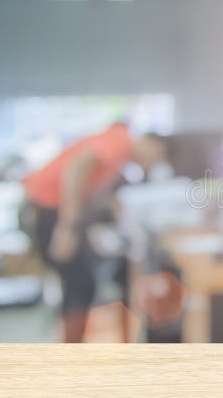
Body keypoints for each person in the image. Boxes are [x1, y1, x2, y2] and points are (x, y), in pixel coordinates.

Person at [22, 123, 167, 342]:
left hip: (49, 208)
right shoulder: (121, 141)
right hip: (47, 208)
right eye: (157, 156)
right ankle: (70, 353)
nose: (153, 163)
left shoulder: (121, 155)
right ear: (150, 144)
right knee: (80, 283)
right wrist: (68, 227)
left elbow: (89, 185)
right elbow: (77, 167)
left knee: (80, 284)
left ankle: (71, 347)